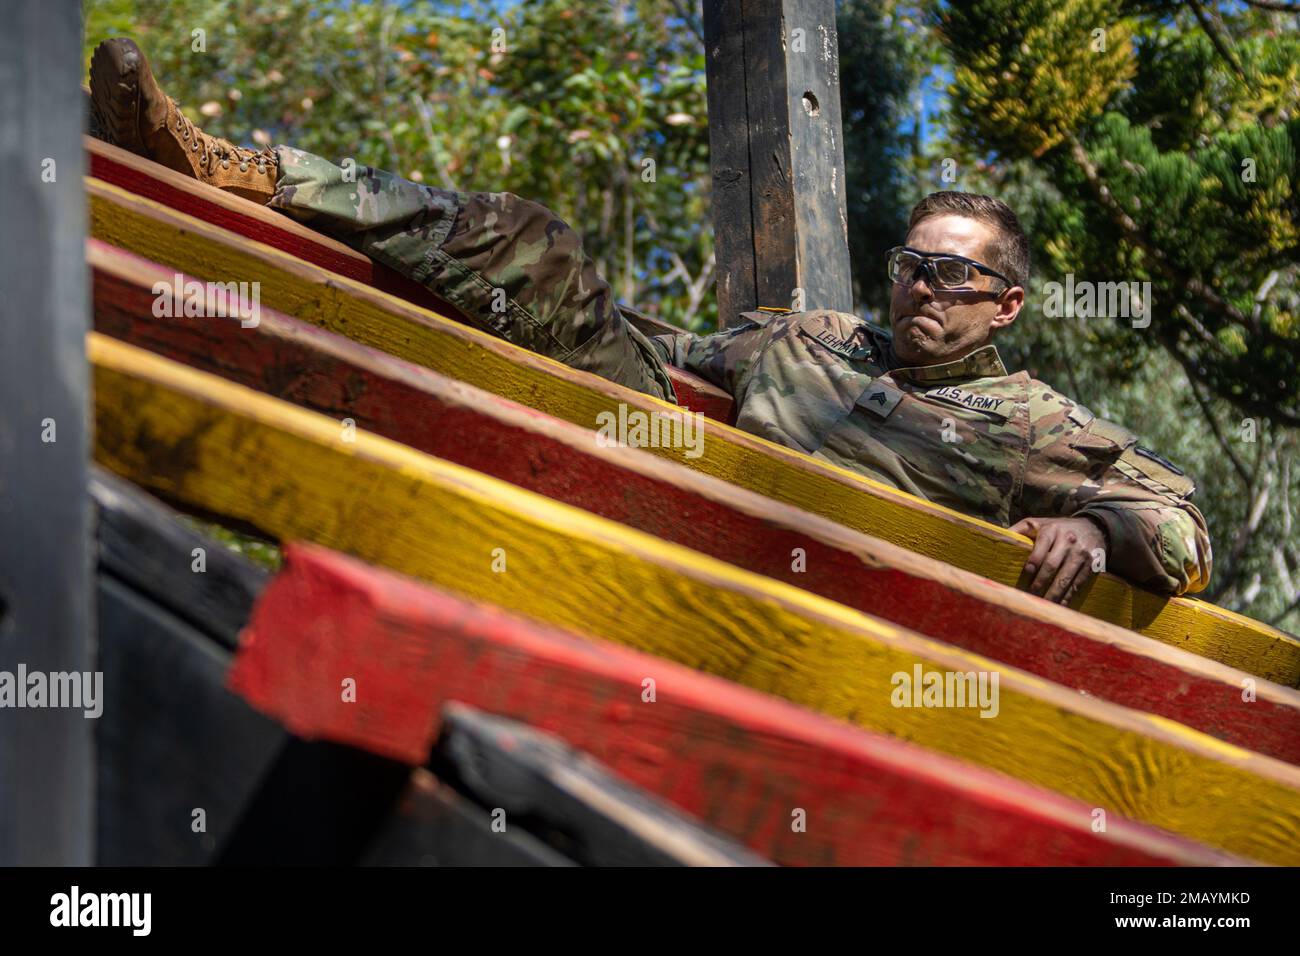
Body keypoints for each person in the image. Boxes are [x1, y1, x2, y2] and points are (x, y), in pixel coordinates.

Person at [89, 37, 1212, 605]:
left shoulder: (1029, 421)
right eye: (907, 263)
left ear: (1004, 303)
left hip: (812, 595)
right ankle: (236, 174)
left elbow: (1179, 526)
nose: (919, 285)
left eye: (949, 275)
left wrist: (1102, 527)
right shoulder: (809, 339)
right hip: (668, 484)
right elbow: (655, 353)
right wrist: (513, 288)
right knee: (536, 246)